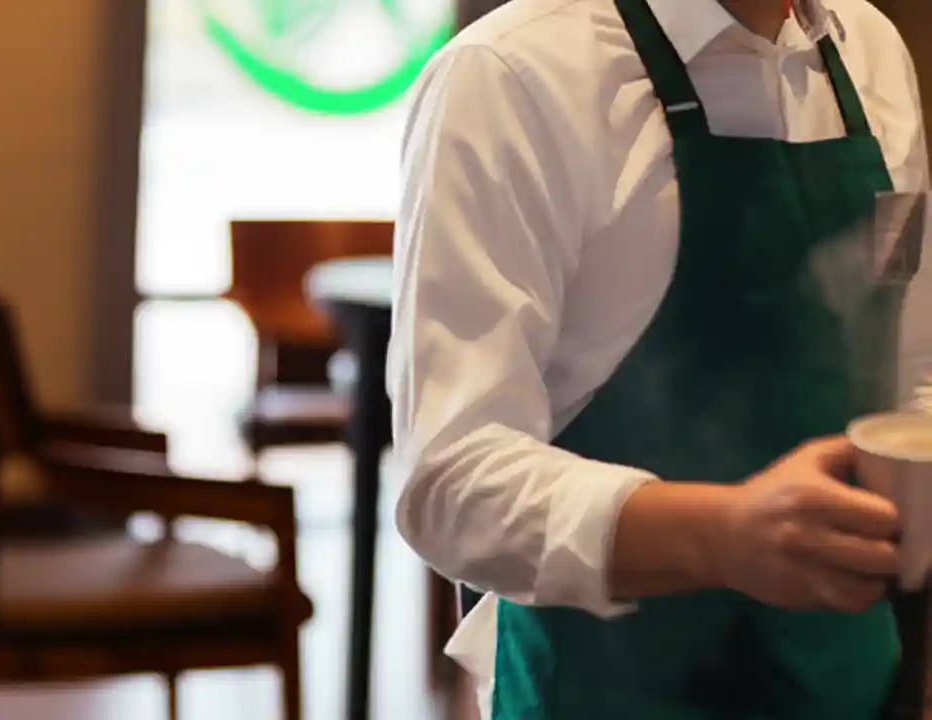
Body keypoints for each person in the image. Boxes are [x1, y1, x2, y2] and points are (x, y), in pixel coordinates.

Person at [389, 0, 930, 716]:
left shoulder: (872, 54)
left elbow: (910, 361)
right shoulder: (511, 76)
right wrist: (724, 536)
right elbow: (451, 482)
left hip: (854, 688)